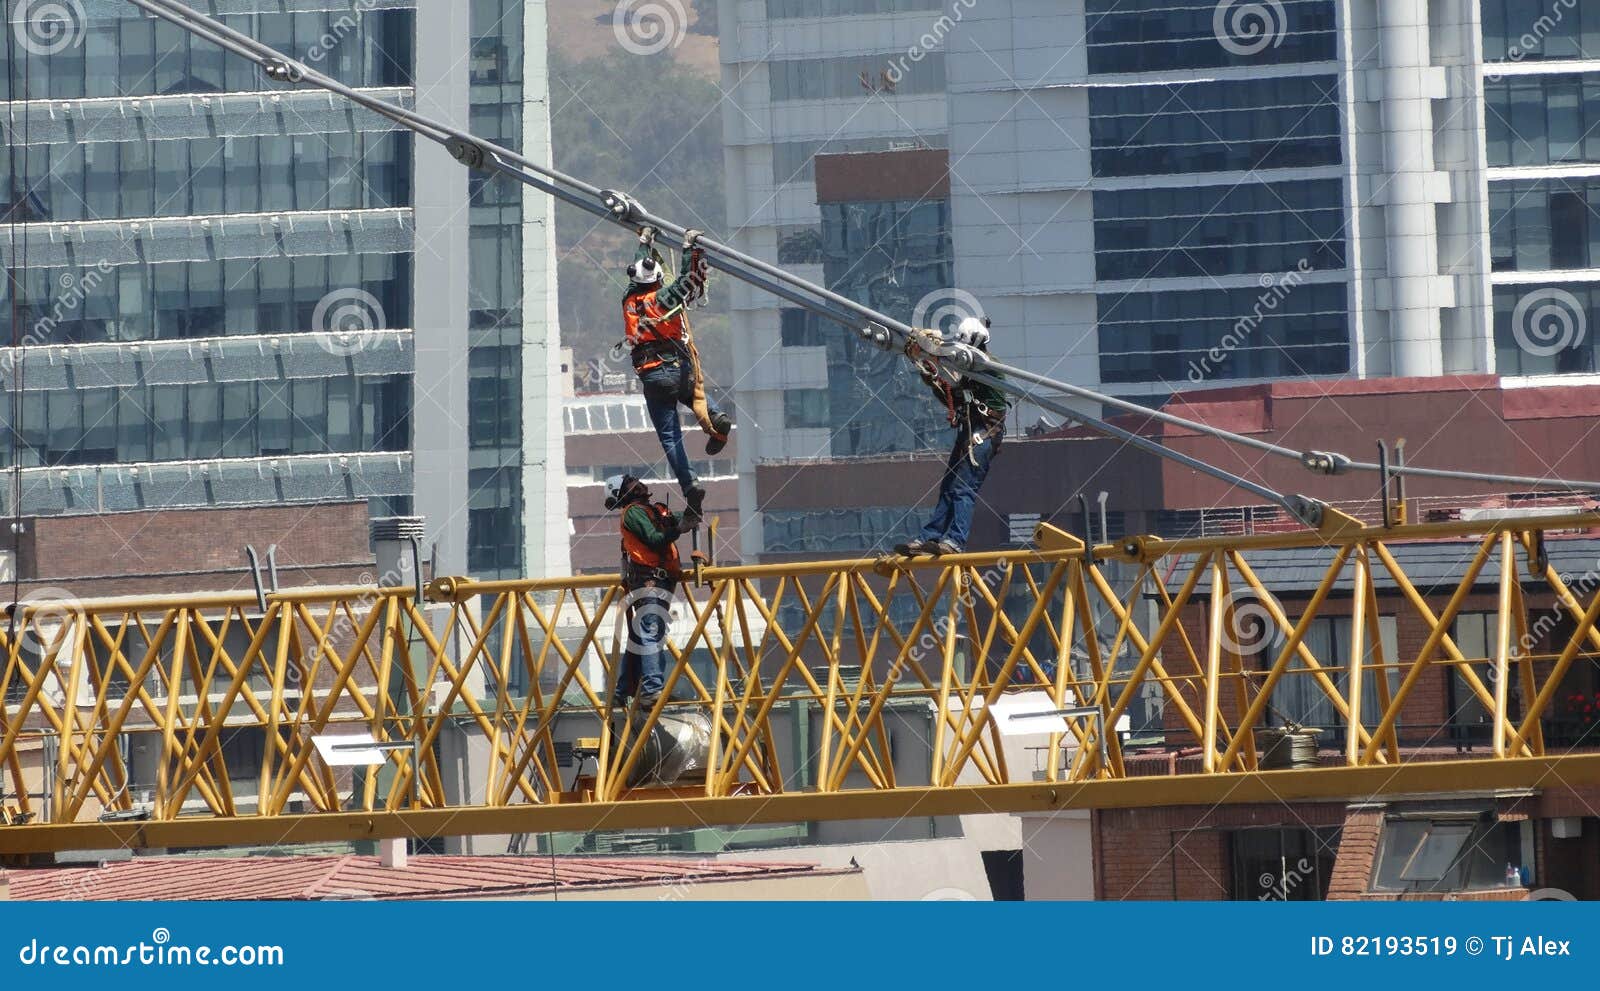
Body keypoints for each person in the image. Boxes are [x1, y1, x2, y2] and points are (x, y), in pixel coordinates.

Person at [622, 226, 733, 521]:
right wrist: (689, 249)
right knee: (692, 390)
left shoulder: (629, 301)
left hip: (653, 376)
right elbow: (687, 282)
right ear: (658, 278)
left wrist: (644, 243)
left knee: (671, 438)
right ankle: (716, 415)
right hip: (677, 367)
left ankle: (690, 484)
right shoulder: (665, 297)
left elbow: (640, 272)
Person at [896, 317, 1009, 556]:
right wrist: (930, 374)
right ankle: (930, 537)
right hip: (970, 431)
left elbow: (957, 362)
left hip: (984, 433)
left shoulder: (988, 366)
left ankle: (955, 541)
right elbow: (955, 397)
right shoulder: (970, 371)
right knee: (949, 486)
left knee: (963, 488)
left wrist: (932, 350)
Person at [606, 473, 684, 708]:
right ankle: (652, 690)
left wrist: (686, 517)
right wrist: (679, 528)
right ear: (622, 492)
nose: (637, 483)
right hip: (649, 583)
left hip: (658, 583)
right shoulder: (633, 512)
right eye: (630, 482)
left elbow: (672, 521)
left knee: (641, 637)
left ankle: (622, 691)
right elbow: (655, 538)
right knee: (650, 632)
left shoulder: (650, 511)